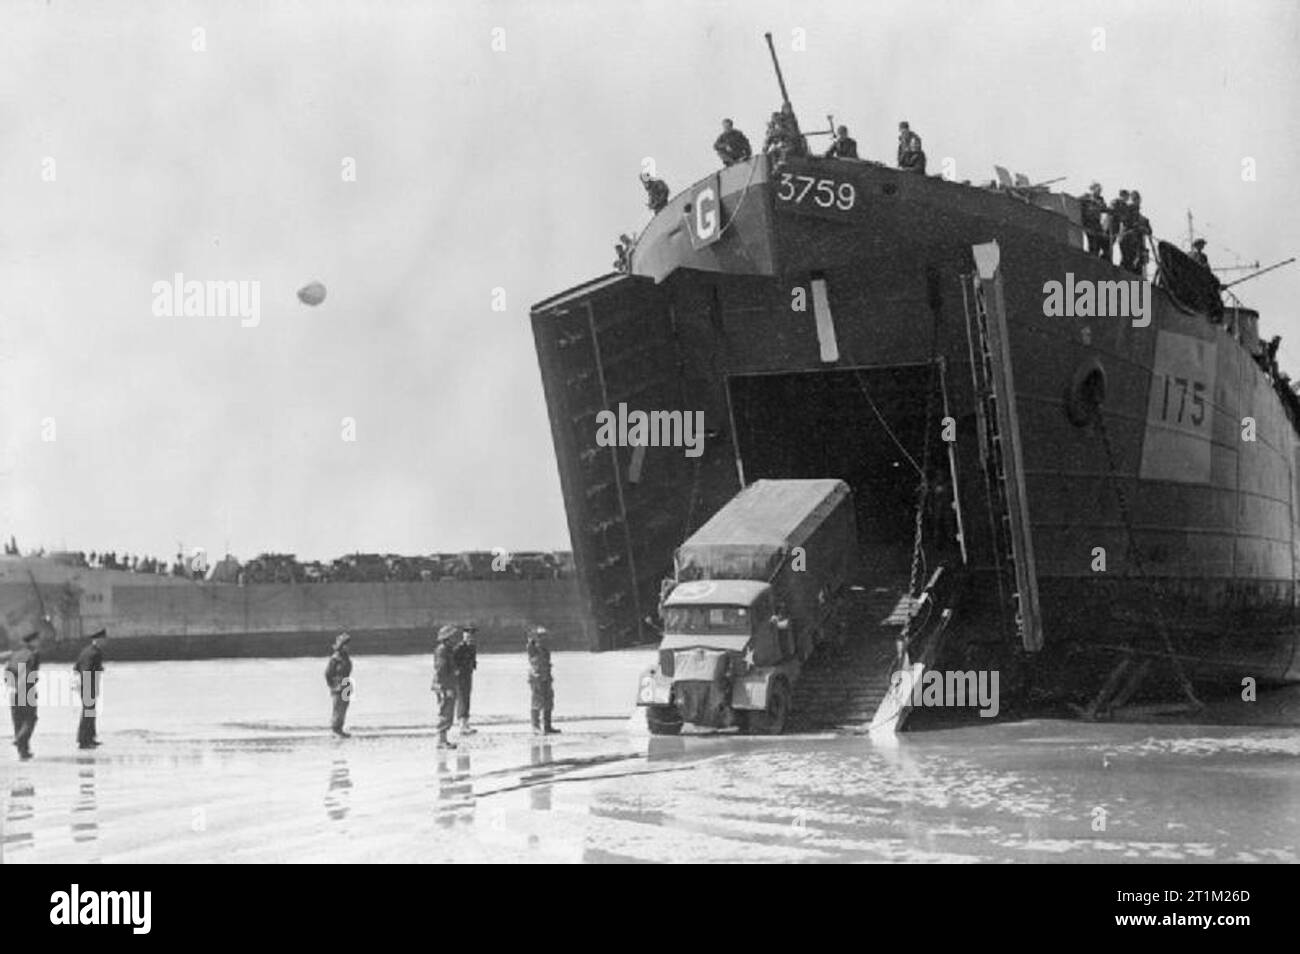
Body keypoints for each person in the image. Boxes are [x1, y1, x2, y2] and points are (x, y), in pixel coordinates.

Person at [4, 631, 41, 760]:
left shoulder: (15, 654)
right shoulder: (33, 655)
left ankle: (23, 751)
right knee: (31, 718)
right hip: (27, 690)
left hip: (13, 690)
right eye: (37, 640)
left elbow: (8, 671)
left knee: (18, 720)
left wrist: (11, 686)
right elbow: (31, 673)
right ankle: (20, 740)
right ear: (31, 642)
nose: (38, 642)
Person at [73, 628, 107, 749]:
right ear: (98, 640)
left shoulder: (85, 651)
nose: (105, 642)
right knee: (88, 712)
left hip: (84, 684)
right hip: (89, 684)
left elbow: (76, 667)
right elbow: (87, 669)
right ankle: (84, 740)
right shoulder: (95, 653)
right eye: (103, 639)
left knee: (89, 712)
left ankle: (90, 737)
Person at [526, 626, 559, 735]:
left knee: (548, 701)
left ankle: (547, 726)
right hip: (537, 677)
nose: (544, 639)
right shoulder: (533, 648)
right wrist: (532, 638)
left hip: (546, 677)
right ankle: (535, 726)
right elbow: (530, 646)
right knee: (537, 701)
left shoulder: (545, 649)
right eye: (541, 636)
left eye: (545, 636)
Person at [432, 625, 459, 749]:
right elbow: (441, 670)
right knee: (445, 711)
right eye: (452, 636)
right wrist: (446, 687)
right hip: (444, 685)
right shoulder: (442, 650)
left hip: (446, 684)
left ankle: (443, 739)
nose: (455, 639)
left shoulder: (447, 649)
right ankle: (441, 740)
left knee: (447, 710)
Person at [324, 632, 353, 738]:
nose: (348, 647)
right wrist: (332, 685)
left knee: (344, 707)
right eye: (346, 645)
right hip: (338, 686)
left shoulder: (346, 658)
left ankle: (340, 729)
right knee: (337, 708)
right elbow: (328, 674)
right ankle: (335, 730)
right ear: (341, 646)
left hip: (346, 684)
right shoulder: (335, 659)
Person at [452, 626, 478, 735]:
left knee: (466, 697)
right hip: (460, 676)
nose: (469, 637)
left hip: (468, 674)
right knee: (462, 698)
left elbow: (473, 660)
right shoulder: (458, 647)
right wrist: (456, 671)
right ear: (463, 636)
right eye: (467, 635)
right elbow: (452, 661)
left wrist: (472, 666)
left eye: (471, 635)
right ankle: (462, 724)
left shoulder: (472, 647)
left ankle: (466, 722)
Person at [1079, 182, 1109, 258]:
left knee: (1103, 240)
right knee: (1092, 242)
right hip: (1088, 222)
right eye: (1098, 189)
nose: (1099, 191)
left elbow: (1104, 208)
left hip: (1097, 223)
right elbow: (1076, 203)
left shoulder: (1100, 199)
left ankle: (1099, 257)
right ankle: (1091, 257)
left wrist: (1100, 204)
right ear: (1092, 189)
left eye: (1100, 190)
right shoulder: (1085, 197)